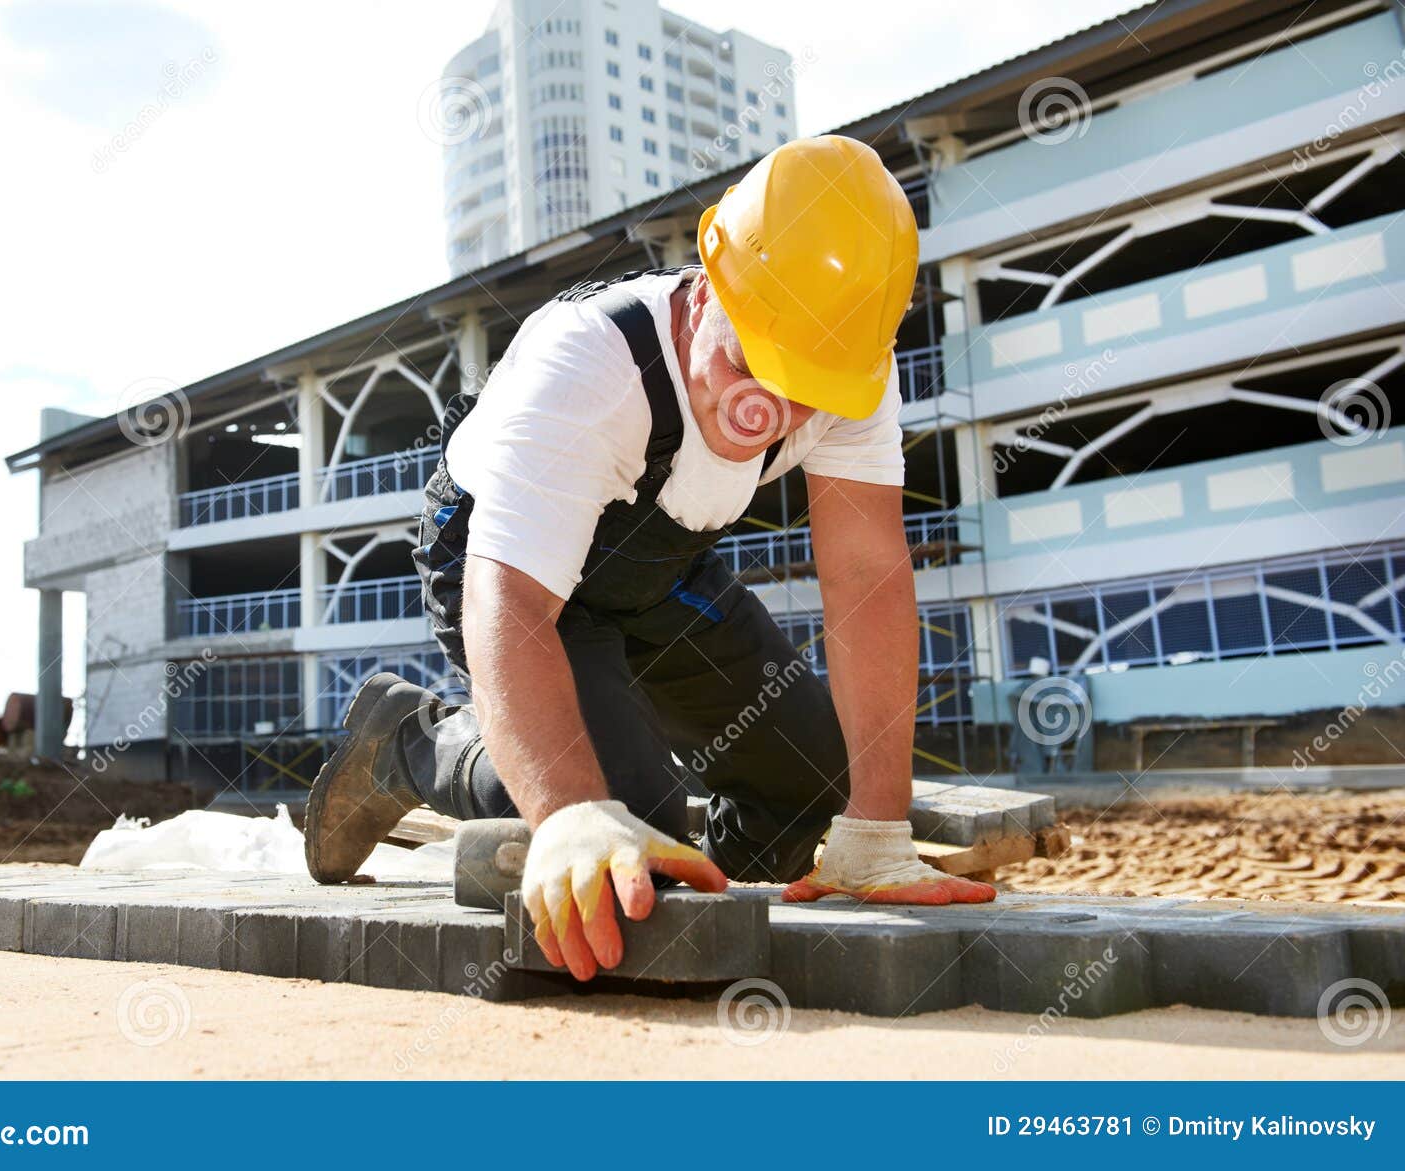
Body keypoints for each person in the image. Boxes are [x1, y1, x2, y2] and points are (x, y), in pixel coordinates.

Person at [304, 135, 993, 982]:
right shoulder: (590, 365)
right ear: (707, 293)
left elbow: (866, 577)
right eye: (751, 364)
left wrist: (878, 832)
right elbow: (508, 601)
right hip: (500, 564)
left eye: (803, 391)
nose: (769, 412)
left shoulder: (845, 366)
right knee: (617, 829)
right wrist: (568, 815)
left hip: (660, 571)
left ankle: (686, 877)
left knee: (813, 779)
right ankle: (410, 744)